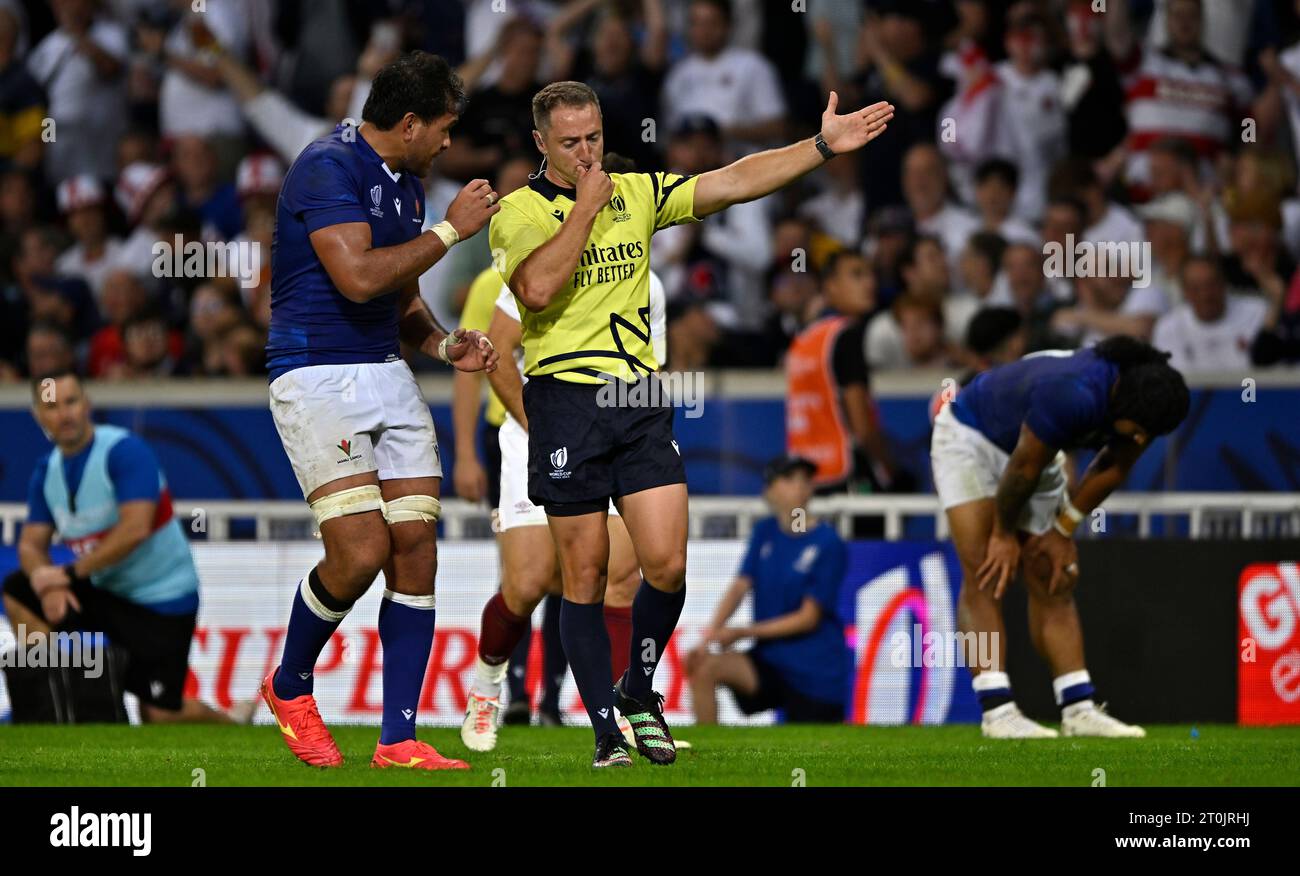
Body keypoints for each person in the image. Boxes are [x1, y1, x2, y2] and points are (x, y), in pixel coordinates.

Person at [489, 79, 892, 767]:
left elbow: (732, 182)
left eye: (594, 139)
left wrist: (821, 146)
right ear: (540, 145)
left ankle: (638, 690)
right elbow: (534, 290)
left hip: (638, 399)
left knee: (666, 564)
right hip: (564, 400)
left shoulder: (638, 192)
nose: (587, 153)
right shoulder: (518, 213)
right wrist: (585, 210)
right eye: (570, 143)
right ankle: (604, 733)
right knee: (581, 576)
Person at [260, 52, 500, 771]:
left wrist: (440, 340)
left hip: (387, 373)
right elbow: (358, 278)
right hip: (316, 374)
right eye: (445, 128)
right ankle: (289, 683)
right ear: (408, 123)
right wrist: (455, 233)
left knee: (415, 548)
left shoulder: (409, 183)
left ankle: (398, 738)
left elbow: (398, 298)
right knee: (361, 550)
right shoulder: (325, 168)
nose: (449, 143)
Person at [930, 337, 1189, 738]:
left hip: (1033, 452)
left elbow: (1113, 465)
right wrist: (1002, 533)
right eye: (1137, 432)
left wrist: (1063, 531)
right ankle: (997, 712)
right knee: (984, 569)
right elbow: (1021, 470)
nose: (1140, 440)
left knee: (1053, 572)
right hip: (971, 438)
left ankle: (1078, 708)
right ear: (1120, 403)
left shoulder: (1149, 398)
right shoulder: (1073, 392)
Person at [459, 259, 661, 751]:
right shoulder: (533, 269)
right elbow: (498, 355)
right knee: (528, 583)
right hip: (537, 431)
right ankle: (487, 684)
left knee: (618, 577)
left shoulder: (648, 281)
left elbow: (650, 369)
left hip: (616, 434)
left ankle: (623, 712)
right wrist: (543, 429)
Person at [2, 370, 232, 723]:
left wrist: (66, 574)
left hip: (163, 601)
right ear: (37, 415)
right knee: (19, 589)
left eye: (71, 402)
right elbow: (32, 545)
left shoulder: (124, 450)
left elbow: (135, 529)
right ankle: (56, 703)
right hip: (105, 591)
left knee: (159, 714)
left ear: (87, 405)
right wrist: (43, 581)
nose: (63, 414)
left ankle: (230, 721)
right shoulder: (46, 471)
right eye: (52, 406)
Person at [685, 455, 849, 725]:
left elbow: (808, 618)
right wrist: (707, 641)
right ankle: (704, 756)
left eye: (805, 480)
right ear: (769, 489)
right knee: (704, 667)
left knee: (815, 755)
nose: (799, 487)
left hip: (816, 673)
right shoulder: (765, 533)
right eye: (789, 479)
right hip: (771, 662)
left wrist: (742, 632)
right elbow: (740, 586)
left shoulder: (828, 543)